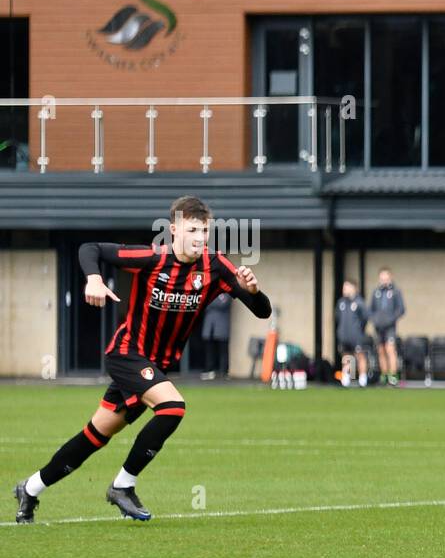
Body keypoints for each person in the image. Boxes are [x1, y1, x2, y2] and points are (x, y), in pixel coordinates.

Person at [12, 195, 271, 523]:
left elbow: (262, 312)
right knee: (173, 407)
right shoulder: (153, 258)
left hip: (155, 366)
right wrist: (93, 279)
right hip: (126, 354)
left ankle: (30, 489)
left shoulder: (216, 266)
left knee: (95, 435)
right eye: (192, 230)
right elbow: (90, 248)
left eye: (205, 231)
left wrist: (252, 291)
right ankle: (123, 486)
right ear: (174, 229)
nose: (200, 238)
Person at [369, 267, 405, 386]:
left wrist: (391, 319)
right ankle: (384, 376)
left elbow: (401, 309)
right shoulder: (376, 292)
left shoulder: (396, 291)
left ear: (390, 277)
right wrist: (374, 319)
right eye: (382, 278)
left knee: (390, 350)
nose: (384, 280)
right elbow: (371, 309)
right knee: (381, 350)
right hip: (378, 327)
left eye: (386, 277)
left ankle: (393, 377)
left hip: (390, 327)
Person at [336, 279, 370, 387]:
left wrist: (358, 330)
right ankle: (346, 378)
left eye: (347, 287)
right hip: (344, 336)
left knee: (360, 356)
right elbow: (337, 318)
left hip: (356, 336)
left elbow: (365, 318)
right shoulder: (341, 302)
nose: (344, 289)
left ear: (354, 288)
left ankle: (363, 379)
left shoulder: (359, 302)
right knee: (346, 356)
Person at [199, 290, 232, 380]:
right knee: (209, 350)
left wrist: (211, 303)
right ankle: (210, 370)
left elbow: (223, 304)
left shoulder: (227, 293)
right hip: (209, 326)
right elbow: (202, 304)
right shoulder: (210, 293)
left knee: (223, 350)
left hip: (222, 327)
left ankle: (223, 372)